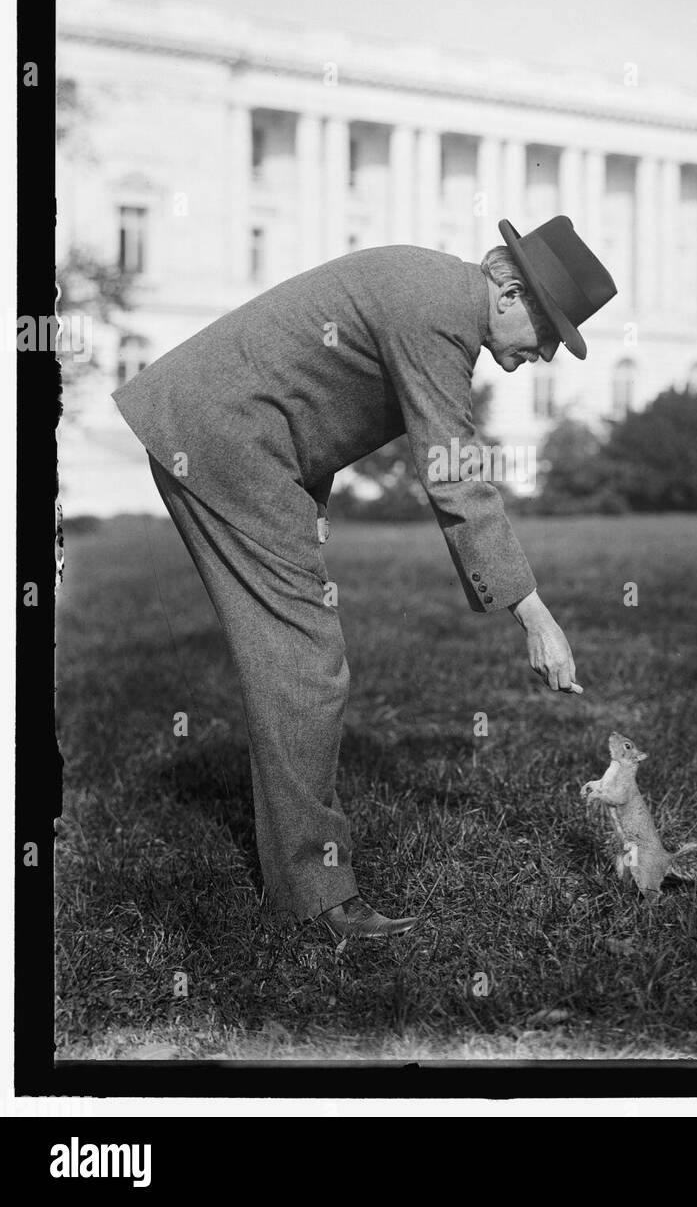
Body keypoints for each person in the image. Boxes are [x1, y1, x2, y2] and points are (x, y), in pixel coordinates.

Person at [113, 214, 617, 939]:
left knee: (294, 660)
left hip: (225, 436)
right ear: (508, 293)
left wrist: (305, 505)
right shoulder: (441, 313)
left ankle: (301, 885)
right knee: (308, 665)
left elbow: (307, 388)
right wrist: (535, 615)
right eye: (548, 334)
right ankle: (315, 900)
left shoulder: (438, 293)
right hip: (227, 441)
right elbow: (455, 477)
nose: (544, 355)